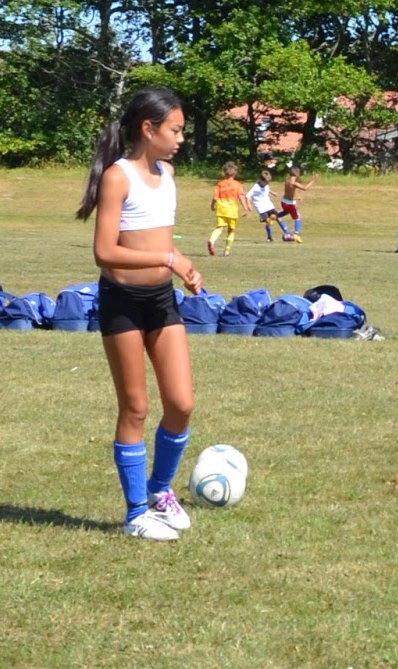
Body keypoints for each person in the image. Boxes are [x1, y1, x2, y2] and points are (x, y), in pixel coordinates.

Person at [74, 87, 203, 541]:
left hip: (162, 301)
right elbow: (105, 252)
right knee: (135, 407)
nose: (181, 138)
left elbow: (160, 242)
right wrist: (167, 259)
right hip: (122, 303)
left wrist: (182, 265)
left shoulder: (168, 174)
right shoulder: (118, 176)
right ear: (148, 129)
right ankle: (135, 515)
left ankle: (159, 491)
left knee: (182, 404)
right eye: (175, 130)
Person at [206, 161, 250, 257]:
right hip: (232, 209)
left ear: (224, 173)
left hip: (221, 208)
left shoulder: (220, 184)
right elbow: (241, 196)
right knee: (231, 230)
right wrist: (245, 208)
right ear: (234, 174)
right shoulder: (237, 184)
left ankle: (212, 241)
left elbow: (215, 197)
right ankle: (226, 251)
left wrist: (212, 205)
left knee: (219, 228)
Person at [246, 168, 290, 242]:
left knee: (278, 218)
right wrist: (248, 205)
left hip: (269, 205)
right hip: (261, 208)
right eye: (266, 182)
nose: (267, 184)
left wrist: (273, 193)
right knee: (268, 221)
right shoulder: (255, 187)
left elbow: (267, 189)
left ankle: (287, 233)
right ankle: (269, 237)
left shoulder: (266, 185)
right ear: (261, 180)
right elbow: (247, 196)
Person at [280, 164, 314, 242]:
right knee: (297, 218)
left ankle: (274, 216)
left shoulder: (287, 181)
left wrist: (296, 197)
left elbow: (288, 194)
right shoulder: (293, 183)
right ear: (297, 174)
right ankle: (296, 234)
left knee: (285, 212)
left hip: (284, 202)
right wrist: (312, 181)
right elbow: (305, 188)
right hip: (291, 204)